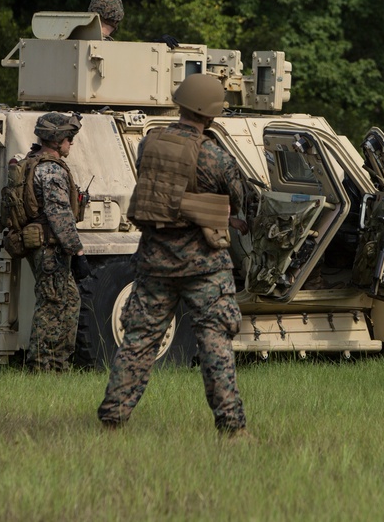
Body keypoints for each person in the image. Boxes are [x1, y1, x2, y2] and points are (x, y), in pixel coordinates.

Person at [98, 73, 250, 437]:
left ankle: (112, 421)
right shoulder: (215, 156)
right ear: (211, 113)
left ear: (181, 103)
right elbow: (239, 197)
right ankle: (232, 429)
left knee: (138, 341)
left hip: (154, 262)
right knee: (215, 343)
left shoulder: (148, 145)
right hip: (205, 268)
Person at [26, 112, 91, 372]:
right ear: (56, 140)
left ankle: (58, 365)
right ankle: (42, 367)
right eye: (68, 138)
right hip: (50, 249)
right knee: (52, 304)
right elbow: (60, 215)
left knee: (69, 301)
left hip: (46, 246)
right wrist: (78, 253)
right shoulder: (51, 171)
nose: (71, 143)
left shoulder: (33, 161)